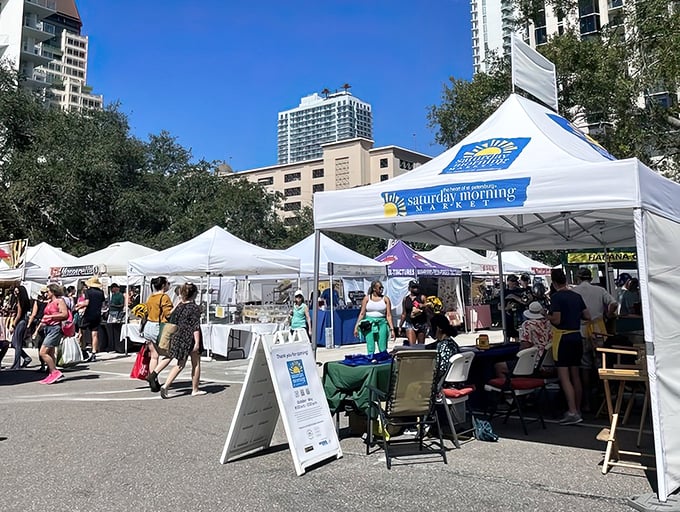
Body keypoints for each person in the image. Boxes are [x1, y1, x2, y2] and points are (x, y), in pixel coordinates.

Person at [548, 269, 590, 425]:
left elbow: (557, 320)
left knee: (564, 377)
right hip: (576, 336)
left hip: (563, 338)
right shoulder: (577, 296)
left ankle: (572, 411)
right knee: (576, 375)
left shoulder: (556, 297)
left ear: (553, 282)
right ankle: (577, 409)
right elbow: (587, 316)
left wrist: (547, 316)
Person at [573, 267, 618, 411]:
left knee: (585, 366)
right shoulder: (600, 290)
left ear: (578, 278)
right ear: (591, 278)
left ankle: (586, 402)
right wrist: (608, 315)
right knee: (601, 364)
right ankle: (604, 401)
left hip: (581, 330)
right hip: (599, 330)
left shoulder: (574, 291)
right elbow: (614, 303)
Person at [159, 282, 205, 398]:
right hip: (191, 337)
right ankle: (195, 389)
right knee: (196, 363)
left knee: (180, 363)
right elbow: (195, 326)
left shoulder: (179, 306)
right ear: (194, 294)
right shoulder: (194, 308)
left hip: (179, 336)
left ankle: (166, 385)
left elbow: (171, 317)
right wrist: (198, 342)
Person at [495, 301, 552, 378]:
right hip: (547, 362)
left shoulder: (528, 324)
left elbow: (525, 345)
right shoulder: (549, 323)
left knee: (499, 366)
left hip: (534, 362)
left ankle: (507, 388)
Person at [144, 276, 174, 392]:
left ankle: (153, 381)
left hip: (149, 326)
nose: (168, 285)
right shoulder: (164, 297)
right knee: (170, 354)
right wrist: (177, 306)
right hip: (159, 327)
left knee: (154, 355)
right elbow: (168, 314)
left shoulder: (151, 297)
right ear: (163, 285)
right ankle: (153, 375)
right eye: (167, 283)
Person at [37, 284, 69, 384]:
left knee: (43, 352)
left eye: (48, 291)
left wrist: (51, 317)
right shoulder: (50, 302)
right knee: (50, 352)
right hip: (48, 328)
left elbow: (65, 314)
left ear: (53, 292)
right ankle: (51, 373)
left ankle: (55, 372)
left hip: (55, 328)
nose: (46, 293)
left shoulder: (60, 301)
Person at [354, 280, 395, 357]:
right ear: (374, 289)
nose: (381, 290)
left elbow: (389, 315)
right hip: (369, 323)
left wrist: (392, 329)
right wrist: (356, 326)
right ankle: (371, 357)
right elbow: (362, 313)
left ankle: (383, 358)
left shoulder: (385, 299)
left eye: (382, 288)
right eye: (379, 288)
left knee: (382, 344)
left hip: (382, 323)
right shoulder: (367, 299)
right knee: (370, 344)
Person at [426, 313, 461, 388]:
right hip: (453, 384)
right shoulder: (450, 343)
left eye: (431, 327)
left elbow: (440, 371)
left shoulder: (444, 347)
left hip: (443, 385)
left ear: (438, 328)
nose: (430, 330)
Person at [76, 277, 106, 361]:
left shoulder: (87, 292)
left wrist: (78, 306)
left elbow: (87, 302)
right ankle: (93, 353)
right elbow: (103, 304)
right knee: (95, 334)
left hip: (88, 314)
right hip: (97, 314)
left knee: (82, 332)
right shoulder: (101, 292)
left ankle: (83, 350)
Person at [8, 286, 32, 369]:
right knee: (15, 343)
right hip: (22, 321)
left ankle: (16, 364)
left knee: (17, 344)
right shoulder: (22, 300)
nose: (15, 293)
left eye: (17, 291)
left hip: (20, 322)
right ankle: (26, 358)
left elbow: (19, 314)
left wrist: (13, 325)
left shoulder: (20, 301)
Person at [398, 281, 429, 345]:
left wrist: (422, 306)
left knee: (421, 346)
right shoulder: (405, 299)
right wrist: (400, 326)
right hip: (410, 323)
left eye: (417, 287)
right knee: (412, 345)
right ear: (409, 288)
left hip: (421, 323)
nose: (416, 289)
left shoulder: (422, 297)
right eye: (414, 287)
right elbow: (404, 313)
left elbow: (428, 310)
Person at [503, 274, 528, 341]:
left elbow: (525, 302)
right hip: (508, 316)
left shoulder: (521, 291)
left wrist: (514, 297)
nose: (514, 282)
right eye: (512, 280)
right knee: (507, 335)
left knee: (518, 335)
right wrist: (507, 308)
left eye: (515, 280)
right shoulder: (504, 292)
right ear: (508, 282)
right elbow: (499, 306)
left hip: (519, 316)